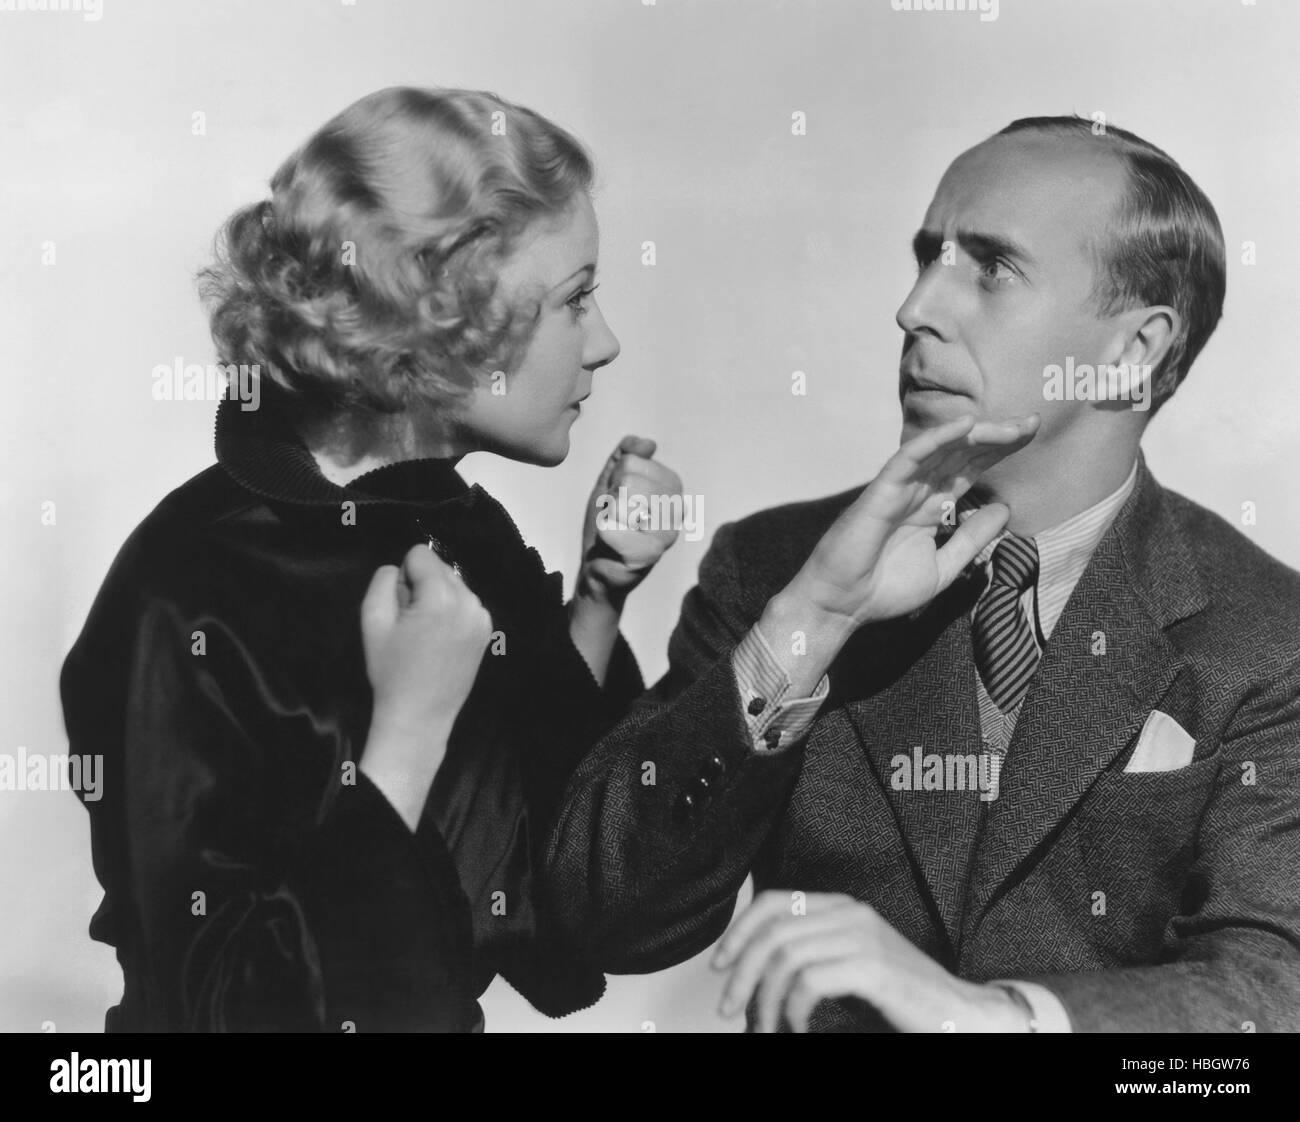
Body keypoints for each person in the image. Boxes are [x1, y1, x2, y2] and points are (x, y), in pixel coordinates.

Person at [547, 116, 1300, 1032]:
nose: (915, 308)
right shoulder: (777, 571)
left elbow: (1270, 996)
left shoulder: (1269, 634)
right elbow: (601, 922)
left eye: (989, 268)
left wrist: (987, 1016)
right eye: (926, 259)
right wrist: (815, 618)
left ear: (1132, 354)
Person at [60, 86, 684, 1032]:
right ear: (442, 319)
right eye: (575, 298)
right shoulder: (183, 589)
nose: (605, 342)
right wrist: (409, 730)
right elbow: (220, 1008)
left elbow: (556, 904)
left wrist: (599, 597)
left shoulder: (459, 530)